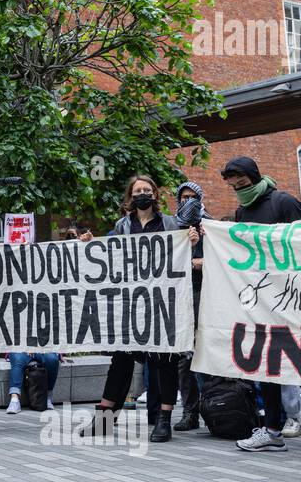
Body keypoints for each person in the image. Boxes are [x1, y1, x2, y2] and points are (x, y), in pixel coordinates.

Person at [77, 175, 184, 442]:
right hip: (131, 305)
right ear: (130, 197)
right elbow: (108, 250)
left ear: (156, 194)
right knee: (121, 361)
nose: (143, 194)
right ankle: (104, 419)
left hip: (161, 304)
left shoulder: (170, 224)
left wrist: (190, 241)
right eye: (138, 191)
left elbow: (181, 255)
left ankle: (164, 420)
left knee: (164, 362)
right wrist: (93, 242)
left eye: (147, 190)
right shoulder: (123, 225)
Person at [218, 156, 301, 454]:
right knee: (265, 365)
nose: (237, 188)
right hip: (261, 298)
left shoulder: (283, 202)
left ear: (253, 176)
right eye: (233, 185)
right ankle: (271, 429)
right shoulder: (242, 211)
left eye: (241, 182)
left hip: (293, 296)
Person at [173, 181, 207, 432]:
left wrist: (202, 260)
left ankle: (218, 405)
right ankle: (189, 410)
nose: (188, 201)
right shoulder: (171, 227)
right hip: (181, 298)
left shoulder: (212, 226)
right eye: (184, 197)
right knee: (185, 357)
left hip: (206, 295)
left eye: (193, 197)